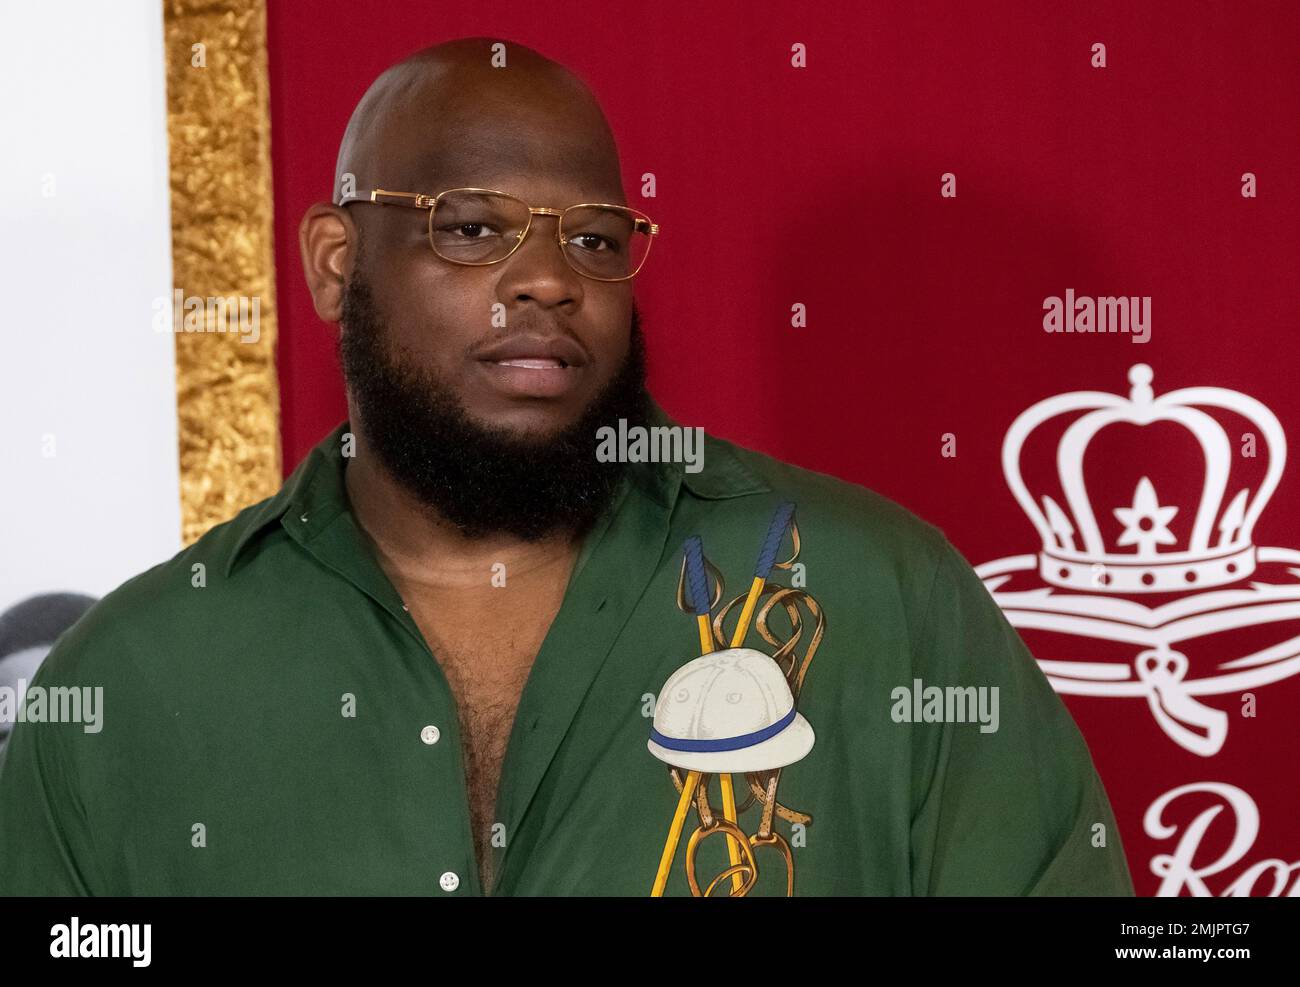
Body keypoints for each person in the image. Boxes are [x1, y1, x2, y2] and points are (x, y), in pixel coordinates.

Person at [0, 38, 1134, 897]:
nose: (549, 277)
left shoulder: (880, 595)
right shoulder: (136, 684)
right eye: (472, 227)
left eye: (594, 238)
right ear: (336, 262)